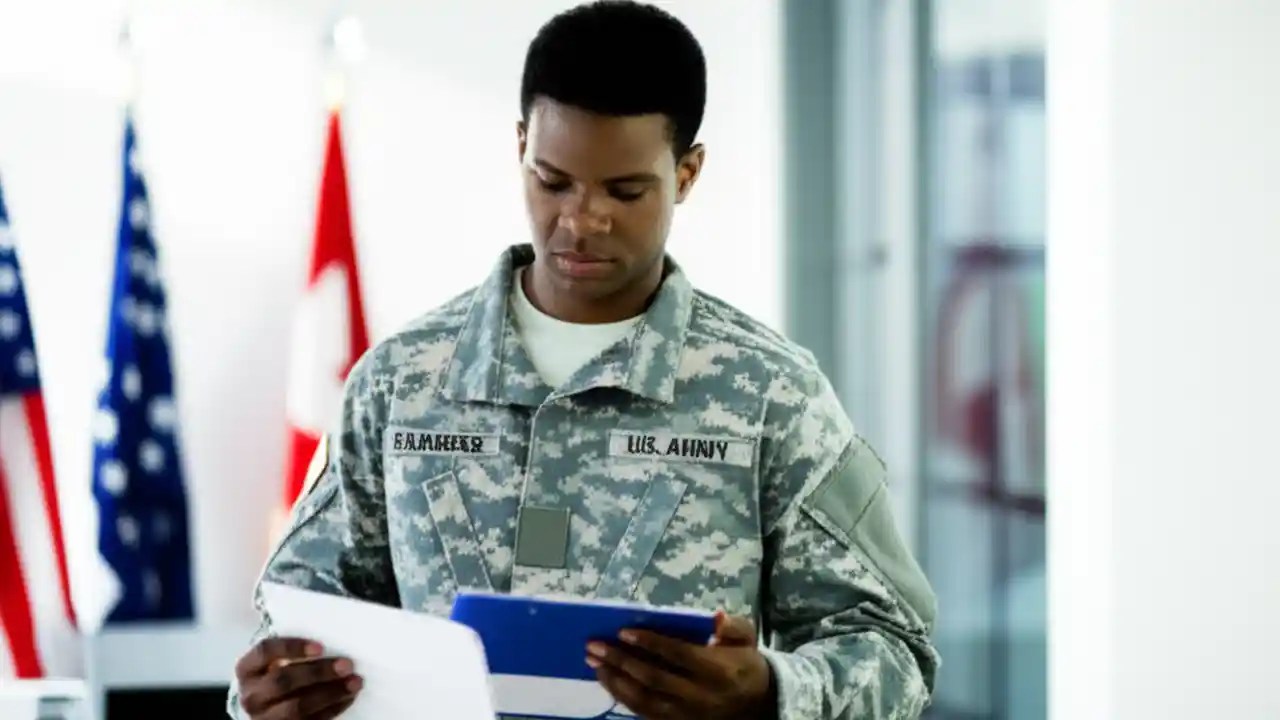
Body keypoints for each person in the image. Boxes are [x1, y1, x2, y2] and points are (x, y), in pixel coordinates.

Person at [228, 1, 939, 718]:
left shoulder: (770, 395)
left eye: (624, 191)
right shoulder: (400, 384)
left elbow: (893, 649)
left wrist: (768, 691)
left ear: (687, 174)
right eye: (553, 181)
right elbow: (296, 625)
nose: (580, 220)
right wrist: (272, 691)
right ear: (519, 149)